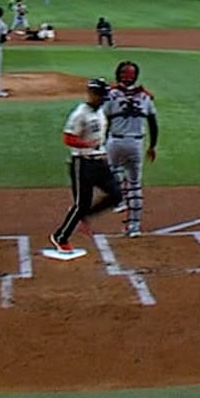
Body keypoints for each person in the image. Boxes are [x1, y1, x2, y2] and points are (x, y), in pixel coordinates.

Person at [48, 77, 123, 256]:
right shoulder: (80, 114)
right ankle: (60, 237)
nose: (103, 99)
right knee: (82, 204)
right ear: (92, 94)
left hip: (99, 162)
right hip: (82, 163)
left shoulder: (100, 111)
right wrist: (87, 145)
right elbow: (68, 138)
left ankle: (84, 215)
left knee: (116, 195)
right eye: (101, 95)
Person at [105, 60, 158, 237]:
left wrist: (100, 142)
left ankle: (119, 198)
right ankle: (134, 226)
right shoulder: (145, 96)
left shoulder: (111, 94)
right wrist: (152, 146)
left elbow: (104, 119)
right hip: (136, 144)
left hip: (115, 141)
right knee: (135, 185)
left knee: (111, 171)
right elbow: (153, 123)